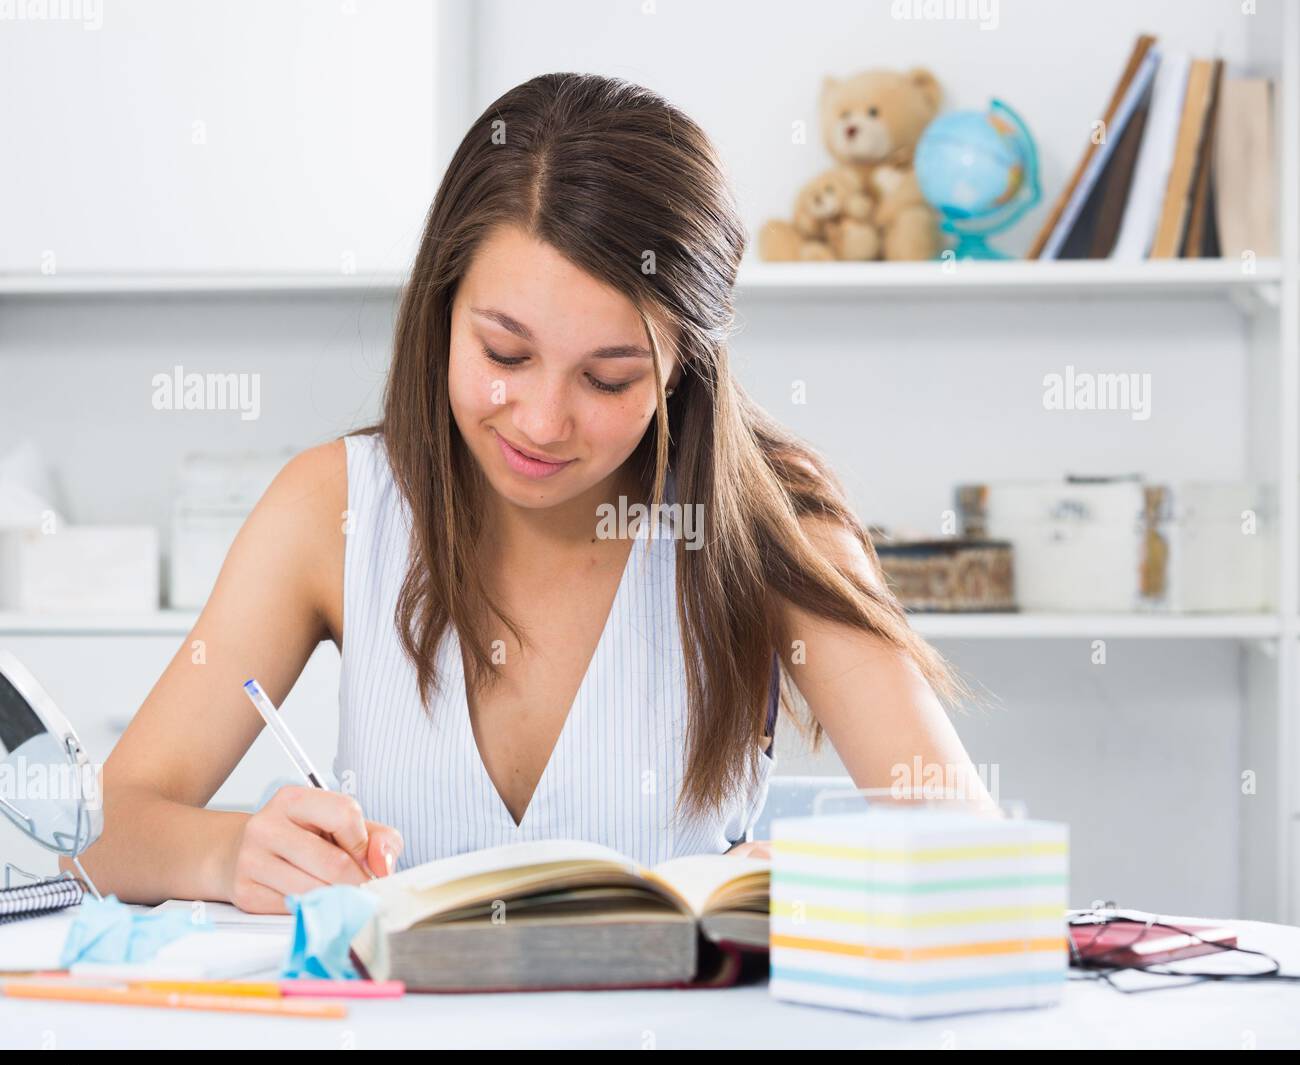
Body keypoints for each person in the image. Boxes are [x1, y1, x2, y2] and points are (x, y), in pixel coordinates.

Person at [65, 73, 991, 912]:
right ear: (441, 309)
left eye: (611, 377)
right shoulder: (332, 507)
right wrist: (230, 853)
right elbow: (104, 830)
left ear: (682, 370)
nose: (544, 421)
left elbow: (970, 858)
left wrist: (825, 885)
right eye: (505, 354)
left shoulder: (768, 522)